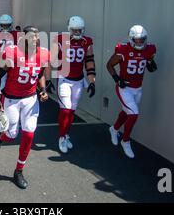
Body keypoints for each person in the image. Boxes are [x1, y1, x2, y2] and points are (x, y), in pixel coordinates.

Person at [0, 26, 50, 189]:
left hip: (30, 99)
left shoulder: (43, 53)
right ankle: (0, 138)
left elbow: (40, 75)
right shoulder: (12, 53)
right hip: (11, 99)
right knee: (11, 134)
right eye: (31, 36)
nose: (35, 39)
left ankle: (18, 170)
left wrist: (43, 90)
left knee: (29, 133)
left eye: (37, 36)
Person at [106, 25, 157, 158]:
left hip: (138, 88)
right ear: (131, 39)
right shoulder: (123, 50)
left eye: (142, 39)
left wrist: (151, 63)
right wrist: (117, 79)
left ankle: (114, 128)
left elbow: (150, 61)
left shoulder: (150, 49)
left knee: (126, 111)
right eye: (137, 40)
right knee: (133, 114)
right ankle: (126, 140)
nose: (140, 42)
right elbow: (109, 65)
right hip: (125, 88)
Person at [51, 16, 96, 154]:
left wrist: (92, 81)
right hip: (64, 78)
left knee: (71, 111)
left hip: (78, 80)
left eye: (79, 30)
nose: (77, 32)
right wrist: (47, 80)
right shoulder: (60, 39)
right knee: (65, 110)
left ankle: (66, 134)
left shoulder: (87, 41)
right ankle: (61, 137)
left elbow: (89, 60)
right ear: (69, 29)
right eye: (74, 30)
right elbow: (50, 59)